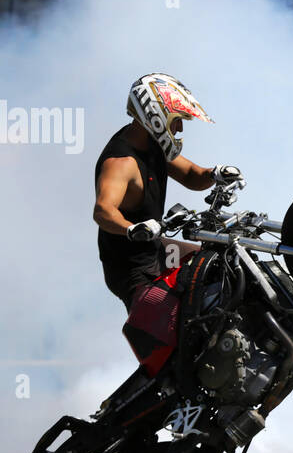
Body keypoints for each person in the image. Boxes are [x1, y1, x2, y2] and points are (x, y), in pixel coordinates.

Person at [92, 73, 245, 312]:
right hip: (132, 271)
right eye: (178, 119)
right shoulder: (121, 164)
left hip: (157, 251)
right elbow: (103, 211)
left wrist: (215, 173)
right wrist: (131, 229)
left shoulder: (150, 141)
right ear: (156, 116)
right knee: (175, 325)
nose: (181, 127)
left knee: (219, 265)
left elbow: (190, 175)